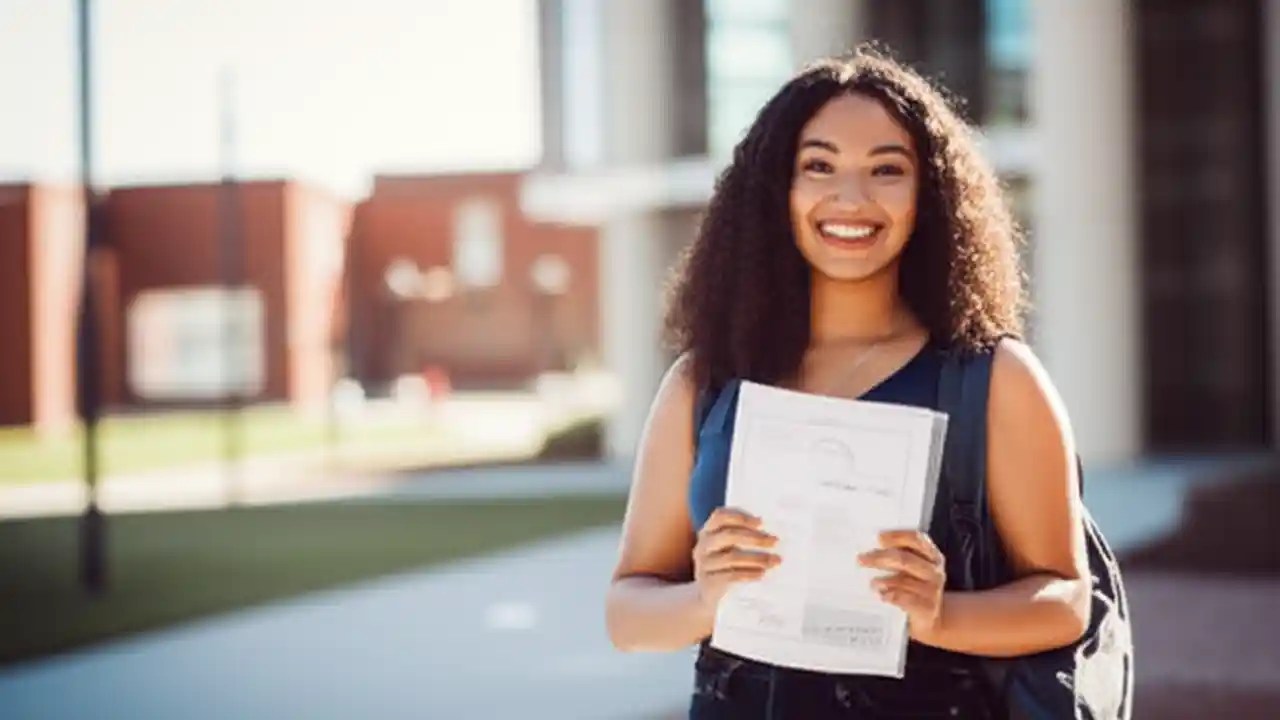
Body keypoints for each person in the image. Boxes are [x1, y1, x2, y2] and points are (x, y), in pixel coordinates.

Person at [605, 48, 1092, 719]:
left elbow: (1066, 599)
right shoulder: (705, 384)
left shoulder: (993, 378)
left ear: (930, 193)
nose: (851, 198)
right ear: (778, 189)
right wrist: (704, 596)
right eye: (819, 166)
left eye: (887, 169)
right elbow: (628, 614)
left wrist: (938, 614)